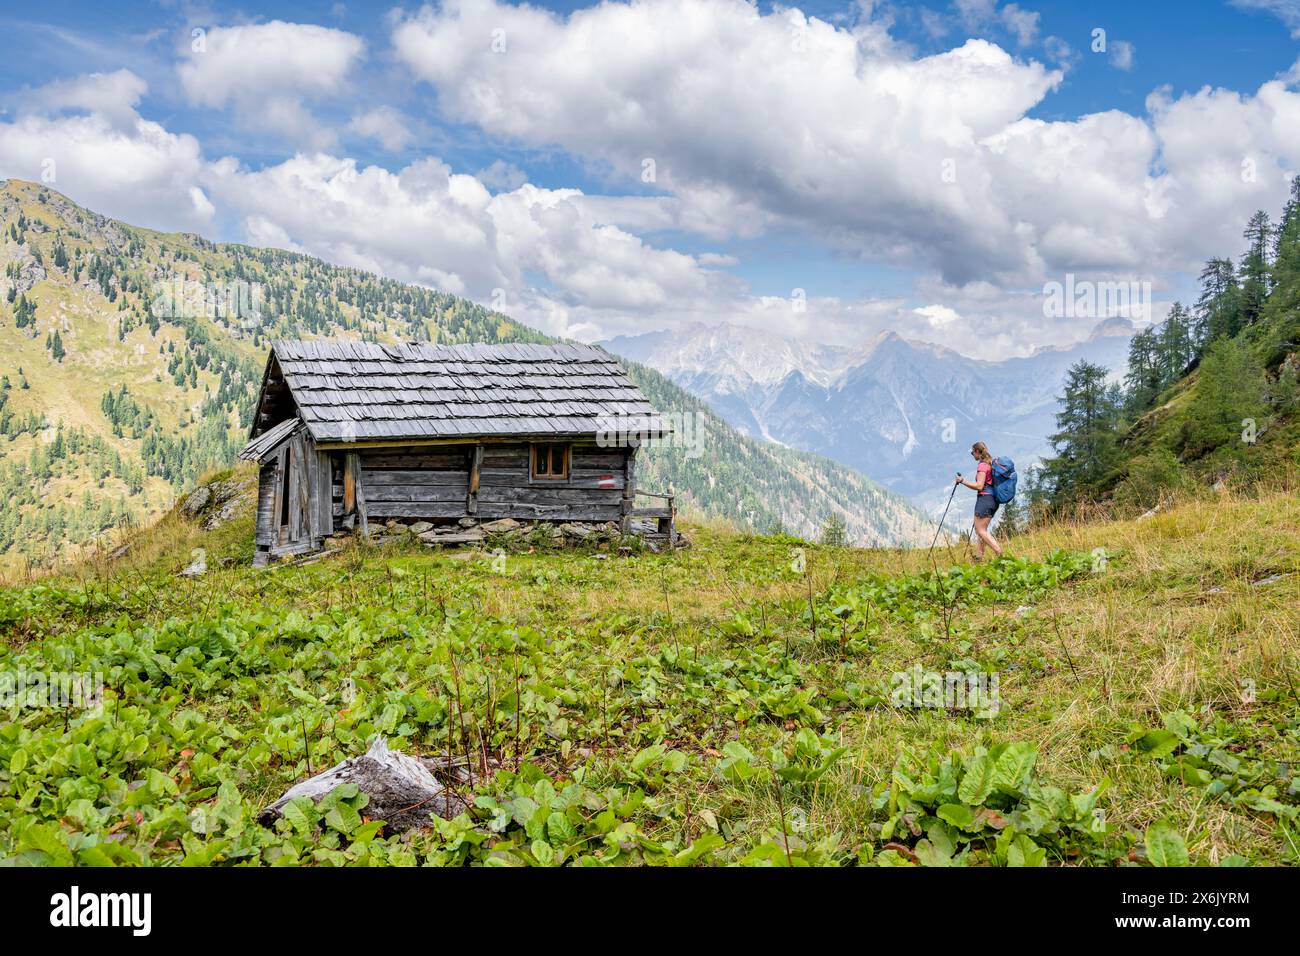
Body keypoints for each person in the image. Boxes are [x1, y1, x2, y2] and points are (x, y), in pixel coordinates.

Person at [955, 441, 1004, 562]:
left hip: (985, 499)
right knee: (981, 530)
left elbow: (979, 486)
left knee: (980, 530)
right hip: (993, 500)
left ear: (978, 452)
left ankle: (1000, 553)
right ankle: (979, 557)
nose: (972, 455)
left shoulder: (982, 465)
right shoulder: (990, 463)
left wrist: (962, 481)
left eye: (973, 452)